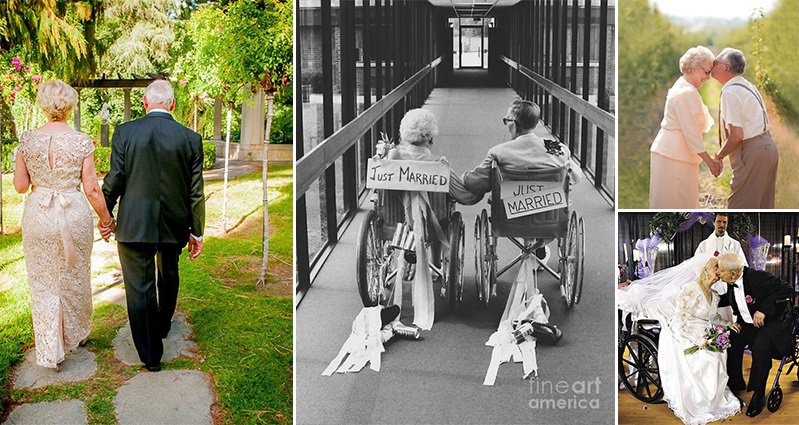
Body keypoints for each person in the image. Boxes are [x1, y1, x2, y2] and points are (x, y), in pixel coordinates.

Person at [101, 79, 205, 372]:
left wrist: (105, 215)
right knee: (169, 274)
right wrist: (196, 231)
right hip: (174, 224)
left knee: (139, 288)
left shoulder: (125, 132)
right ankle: (162, 325)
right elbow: (195, 191)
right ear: (172, 104)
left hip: (134, 225)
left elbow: (115, 179)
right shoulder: (190, 138)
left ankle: (150, 355)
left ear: (145, 103)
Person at [13, 80, 114, 369]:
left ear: (43, 105)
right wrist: (106, 220)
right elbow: (93, 188)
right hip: (73, 212)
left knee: (43, 280)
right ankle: (74, 335)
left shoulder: (27, 140)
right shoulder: (81, 141)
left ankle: (49, 349)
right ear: (70, 105)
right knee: (74, 275)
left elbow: (20, 186)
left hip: (39, 214)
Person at [657, 257, 741, 425]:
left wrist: (728, 323)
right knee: (705, 358)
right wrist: (696, 339)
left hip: (704, 329)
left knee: (718, 355)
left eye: (720, 269)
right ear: (705, 269)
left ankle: (714, 400)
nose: (718, 272)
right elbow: (681, 319)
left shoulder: (715, 295)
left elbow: (713, 317)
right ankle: (699, 402)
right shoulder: (691, 288)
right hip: (684, 330)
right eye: (716, 267)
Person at [716, 253, 794, 417]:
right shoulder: (731, 282)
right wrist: (703, 297)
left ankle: (758, 395)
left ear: (733, 274)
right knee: (733, 340)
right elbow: (729, 299)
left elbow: (788, 289)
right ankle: (736, 382)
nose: (718, 273)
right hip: (749, 324)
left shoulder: (758, 277)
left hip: (771, 322)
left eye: (720, 270)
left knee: (760, 349)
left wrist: (763, 310)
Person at [649, 46, 719, 209]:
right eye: (707, 72)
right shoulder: (686, 92)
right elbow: (691, 134)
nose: (708, 77)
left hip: (675, 155)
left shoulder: (684, 86)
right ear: (694, 68)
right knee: (677, 204)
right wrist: (710, 162)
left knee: (680, 204)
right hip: (674, 157)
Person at [462, 99, 580, 194]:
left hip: (509, 215)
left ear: (513, 124)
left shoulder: (498, 152)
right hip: (551, 213)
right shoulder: (558, 148)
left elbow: (475, 183)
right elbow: (575, 177)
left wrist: (465, 177)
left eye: (506, 120)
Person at [711, 48, 778, 209]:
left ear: (726, 67)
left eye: (715, 62)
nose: (712, 65)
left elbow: (736, 136)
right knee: (763, 206)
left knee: (738, 207)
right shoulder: (747, 85)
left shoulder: (730, 92)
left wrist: (718, 157)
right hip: (768, 148)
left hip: (752, 152)